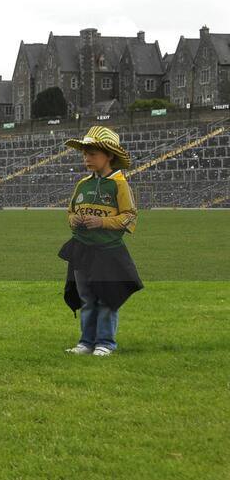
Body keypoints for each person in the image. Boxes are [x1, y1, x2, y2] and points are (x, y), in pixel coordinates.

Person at [58, 126, 143, 357]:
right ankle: (86, 342)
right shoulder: (82, 184)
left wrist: (102, 223)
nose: (87, 158)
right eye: (85, 154)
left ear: (109, 156)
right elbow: (70, 212)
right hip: (81, 250)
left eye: (93, 153)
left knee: (106, 299)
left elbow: (129, 216)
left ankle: (105, 343)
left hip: (108, 252)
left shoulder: (119, 183)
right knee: (87, 298)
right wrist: (73, 219)